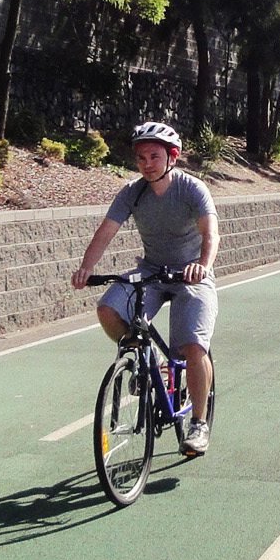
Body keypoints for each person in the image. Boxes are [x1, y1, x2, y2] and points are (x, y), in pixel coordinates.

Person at [70, 121, 218, 456]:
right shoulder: (132, 193)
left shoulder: (192, 189)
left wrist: (202, 265)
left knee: (193, 345)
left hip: (190, 274)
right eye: (140, 158)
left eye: (154, 156)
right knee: (108, 309)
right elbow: (106, 231)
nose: (146, 163)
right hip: (151, 271)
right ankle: (141, 362)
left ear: (172, 157)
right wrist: (86, 268)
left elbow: (211, 234)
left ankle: (198, 423)